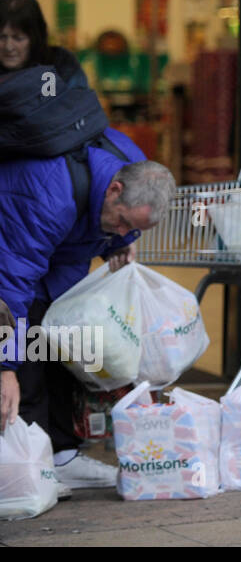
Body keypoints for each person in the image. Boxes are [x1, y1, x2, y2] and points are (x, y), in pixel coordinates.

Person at [0, 123, 172, 485]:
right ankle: (28, 461)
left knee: (68, 343)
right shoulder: (49, 195)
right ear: (114, 190)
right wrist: (5, 366)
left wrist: (119, 241)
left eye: (134, 229)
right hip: (16, 241)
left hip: (65, 248)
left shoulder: (136, 173)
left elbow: (126, 220)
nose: (125, 231)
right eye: (123, 223)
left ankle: (61, 455)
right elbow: (11, 285)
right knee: (28, 354)